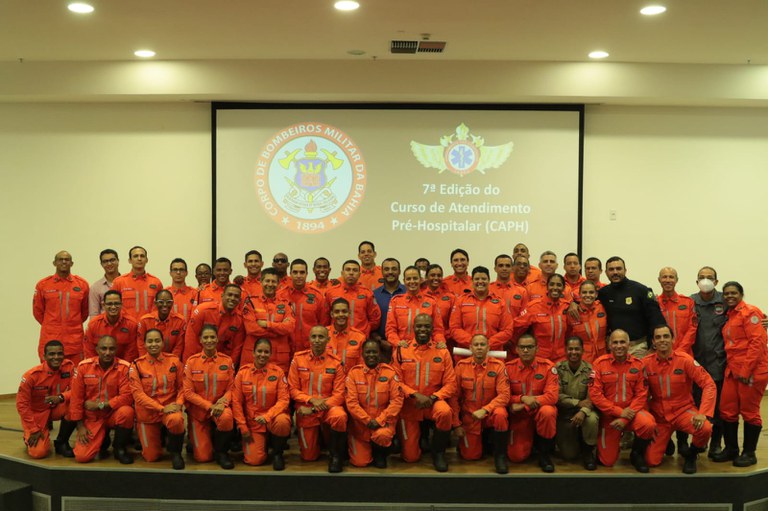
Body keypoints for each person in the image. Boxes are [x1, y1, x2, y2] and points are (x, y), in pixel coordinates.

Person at [643, 325, 715, 474]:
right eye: (658, 337)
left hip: (683, 411)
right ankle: (666, 440)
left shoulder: (685, 360)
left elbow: (709, 384)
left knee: (705, 427)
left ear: (673, 339)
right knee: (651, 461)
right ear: (653, 342)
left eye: (666, 336)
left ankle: (691, 454)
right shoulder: (645, 363)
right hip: (660, 416)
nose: (662, 340)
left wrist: (703, 413)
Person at [712, 281, 768, 467]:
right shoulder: (730, 315)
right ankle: (731, 449)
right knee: (727, 411)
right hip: (732, 371)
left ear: (741, 294)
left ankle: (749, 453)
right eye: (726, 293)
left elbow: (757, 344)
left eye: (733, 293)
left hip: (751, 372)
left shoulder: (750, 313)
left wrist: (746, 371)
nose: (729, 296)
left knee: (750, 413)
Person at [392, 314, 456, 471]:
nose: (423, 329)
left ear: (432, 329)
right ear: (413, 328)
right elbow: (395, 382)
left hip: (433, 402)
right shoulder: (401, 351)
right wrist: (414, 394)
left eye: (426, 326)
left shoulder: (442, 352)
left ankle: (438, 452)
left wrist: (434, 397)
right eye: (419, 326)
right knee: (410, 458)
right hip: (410, 404)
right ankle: (416, 442)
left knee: (445, 412)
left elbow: (451, 384)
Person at [588, 329, 656, 472]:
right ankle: (606, 447)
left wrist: (625, 417)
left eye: (622, 342)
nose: (619, 346)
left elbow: (642, 395)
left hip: (633, 413)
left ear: (629, 344)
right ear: (609, 345)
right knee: (607, 461)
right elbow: (595, 395)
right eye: (615, 342)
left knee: (648, 423)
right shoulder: (599, 364)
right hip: (610, 417)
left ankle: (637, 454)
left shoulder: (638, 365)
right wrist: (619, 412)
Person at [574, 256, 665, 359]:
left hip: (638, 348)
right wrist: (573, 304)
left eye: (618, 268)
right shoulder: (603, 293)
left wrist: (654, 347)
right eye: (611, 269)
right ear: (606, 272)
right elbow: (586, 302)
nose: (615, 272)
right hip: (614, 349)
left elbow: (657, 320)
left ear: (625, 270)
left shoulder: (641, 290)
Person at [288, 326, 348, 472]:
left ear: (328, 340)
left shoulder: (336, 362)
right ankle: (318, 439)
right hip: (306, 409)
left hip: (327, 408)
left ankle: (336, 456)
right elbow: (292, 389)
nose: (317, 340)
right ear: (309, 339)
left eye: (321, 337)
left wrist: (315, 407)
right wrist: (311, 400)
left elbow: (339, 395)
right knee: (309, 457)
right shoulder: (298, 359)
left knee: (339, 416)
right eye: (313, 337)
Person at [69, 335, 135, 464]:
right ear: (97, 349)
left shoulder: (124, 368)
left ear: (116, 350)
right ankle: (103, 439)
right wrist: (80, 426)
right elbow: (76, 398)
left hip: (112, 413)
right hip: (92, 418)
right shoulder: (83, 367)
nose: (107, 352)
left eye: (111, 349)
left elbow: (127, 396)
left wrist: (101, 405)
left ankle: (119, 448)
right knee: (82, 457)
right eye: (104, 348)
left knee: (127, 412)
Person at [452, 334, 510, 474]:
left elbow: (505, 395)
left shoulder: (498, 366)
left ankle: (500, 456)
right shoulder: (461, 366)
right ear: (470, 348)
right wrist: (456, 424)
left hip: (490, 415)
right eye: (476, 345)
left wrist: (485, 410)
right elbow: (454, 397)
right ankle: (475, 443)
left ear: (488, 348)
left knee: (501, 414)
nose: (479, 347)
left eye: (482, 345)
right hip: (470, 417)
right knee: (471, 456)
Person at [129, 328, 186, 469]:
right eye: (150, 341)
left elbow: (182, 387)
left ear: (162, 343)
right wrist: (161, 408)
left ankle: (176, 453)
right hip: (148, 414)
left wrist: (178, 404)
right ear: (144, 344)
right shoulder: (136, 365)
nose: (153, 344)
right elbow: (138, 395)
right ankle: (159, 438)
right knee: (151, 457)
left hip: (170, 410)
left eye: (157, 340)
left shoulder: (174, 361)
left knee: (177, 419)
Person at [232, 338, 291, 470]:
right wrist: (243, 427)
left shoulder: (278, 373)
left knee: (282, 421)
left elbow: (284, 400)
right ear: (253, 352)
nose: (262, 355)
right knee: (254, 460)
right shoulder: (242, 373)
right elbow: (236, 402)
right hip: (253, 423)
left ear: (270, 354)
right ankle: (263, 443)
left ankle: (277, 453)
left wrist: (267, 416)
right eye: (259, 351)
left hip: (272, 418)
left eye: (266, 352)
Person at [182, 324, 236, 469]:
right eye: (206, 337)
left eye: (212, 337)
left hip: (219, 408)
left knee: (226, 417)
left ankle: (222, 452)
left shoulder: (227, 361)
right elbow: (188, 393)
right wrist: (209, 406)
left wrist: (222, 403)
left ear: (217, 339)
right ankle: (198, 438)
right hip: (198, 412)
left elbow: (232, 388)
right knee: (203, 458)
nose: (209, 340)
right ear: (200, 340)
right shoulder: (191, 362)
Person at [345, 339, 403, 468]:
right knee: (360, 463)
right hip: (360, 426)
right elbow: (351, 403)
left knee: (382, 435)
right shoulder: (354, 374)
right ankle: (366, 449)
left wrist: (379, 420)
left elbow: (397, 401)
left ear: (380, 354)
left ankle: (381, 452)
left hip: (382, 424)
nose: (371, 355)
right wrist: (367, 420)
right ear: (362, 354)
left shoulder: (390, 373)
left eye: (374, 352)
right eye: (368, 352)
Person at [505, 334, 559, 472]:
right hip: (519, 416)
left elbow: (552, 397)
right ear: (516, 349)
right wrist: (521, 398)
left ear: (537, 349)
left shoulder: (548, 367)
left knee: (548, 411)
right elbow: (504, 395)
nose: (525, 351)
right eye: (522, 347)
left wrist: (527, 403)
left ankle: (544, 455)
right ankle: (530, 444)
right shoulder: (508, 368)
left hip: (538, 410)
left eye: (529, 347)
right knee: (516, 457)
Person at [689, 266, 727, 458]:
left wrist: (762, 321)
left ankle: (716, 443)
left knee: (717, 405)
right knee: (697, 402)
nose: (706, 280)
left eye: (709, 277)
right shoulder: (690, 302)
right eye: (702, 277)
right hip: (696, 363)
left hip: (718, 362)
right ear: (697, 282)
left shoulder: (725, 301)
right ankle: (700, 440)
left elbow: (743, 316)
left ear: (716, 281)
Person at [16, 340, 76, 459]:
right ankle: (28, 436)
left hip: (56, 408)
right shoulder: (31, 376)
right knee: (39, 453)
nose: (56, 357)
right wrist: (33, 429)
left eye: (59, 354)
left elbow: (77, 391)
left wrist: (61, 397)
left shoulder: (69, 367)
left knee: (75, 405)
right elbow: (22, 405)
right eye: (52, 354)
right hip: (37, 413)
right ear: (44, 357)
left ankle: (62, 442)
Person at [33, 250, 90, 363]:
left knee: (75, 377)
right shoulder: (43, 285)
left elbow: (84, 312)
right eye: (60, 259)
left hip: (74, 341)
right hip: (50, 340)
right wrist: (52, 325)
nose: (64, 262)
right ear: (54, 263)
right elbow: (38, 311)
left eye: (67, 259)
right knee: (50, 376)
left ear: (72, 263)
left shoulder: (82, 284)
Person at [555, 337, 598, 470]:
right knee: (569, 455)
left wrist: (582, 411)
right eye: (570, 349)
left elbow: (593, 397)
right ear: (565, 350)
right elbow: (556, 395)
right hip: (564, 414)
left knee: (592, 420)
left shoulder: (591, 370)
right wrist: (578, 403)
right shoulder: (557, 369)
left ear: (583, 350)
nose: (574, 352)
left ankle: (588, 452)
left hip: (585, 412)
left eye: (577, 349)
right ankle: (577, 439)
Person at [449, 266, 512, 355]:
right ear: (472, 282)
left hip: (493, 354)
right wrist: (472, 342)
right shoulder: (461, 301)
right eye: (477, 279)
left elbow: (507, 330)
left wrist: (488, 344)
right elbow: (454, 328)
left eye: (484, 279)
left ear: (489, 281)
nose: (480, 281)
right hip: (466, 354)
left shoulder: (500, 303)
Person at [242, 268, 295, 370]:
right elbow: (251, 328)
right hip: (254, 357)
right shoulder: (251, 303)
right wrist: (278, 330)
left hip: (278, 357)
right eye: (267, 281)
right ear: (261, 282)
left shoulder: (285, 304)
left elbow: (289, 327)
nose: (270, 284)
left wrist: (267, 325)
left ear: (278, 284)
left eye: (273, 281)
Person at [514, 273, 571, 361]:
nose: (555, 287)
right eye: (552, 284)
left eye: (559, 285)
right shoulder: (533, 306)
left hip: (561, 359)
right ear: (547, 287)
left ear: (563, 288)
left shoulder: (567, 307)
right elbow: (516, 327)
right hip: (539, 358)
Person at [183, 284, 245, 364]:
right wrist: (190, 363)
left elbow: (236, 348)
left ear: (240, 300)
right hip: (198, 357)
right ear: (222, 295)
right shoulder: (203, 310)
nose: (232, 298)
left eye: (236, 296)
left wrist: (229, 366)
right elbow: (191, 339)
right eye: (229, 295)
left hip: (220, 361)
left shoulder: (239, 319)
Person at [386, 266, 445, 348]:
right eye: (408, 279)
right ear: (404, 281)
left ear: (420, 280)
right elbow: (390, 329)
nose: (412, 281)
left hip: (426, 349)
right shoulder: (396, 301)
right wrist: (397, 342)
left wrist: (440, 342)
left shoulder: (431, 302)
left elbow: (438, 330)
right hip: (403, 349)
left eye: (415, 278)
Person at [277, 258, 327, 353]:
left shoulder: (317, 296)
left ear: (307, 274)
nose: (298, 276)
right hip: (284, 349)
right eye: (295, 272)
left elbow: (323, 325)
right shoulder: (280, 295)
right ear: (290, 274)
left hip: (309, 349)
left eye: (302, 272)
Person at [325, 260, 381, 337]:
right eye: (348, 270)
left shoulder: (367, 293)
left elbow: (375, 319)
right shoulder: (331, 292)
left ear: (359, 274)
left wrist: (365, 330)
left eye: (354, 270)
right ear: (342, 273)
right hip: (336, 338)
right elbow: (325, 318)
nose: (351, 273)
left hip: (361, 338)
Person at [111, 246, 163, 321]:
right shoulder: (119, 282)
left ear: (146, 260)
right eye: (135, 256)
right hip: (126, 327)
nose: (139, 259)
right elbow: (113, 306)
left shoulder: (156, 282)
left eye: (142, 256)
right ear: (130, 260)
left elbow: (160, 307)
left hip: (150, 327)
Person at [84, 290, 139, 362]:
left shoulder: (131, 324)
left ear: (121, 304)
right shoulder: (93, 325)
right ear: (103, 305)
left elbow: (131, 353)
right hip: (99, 367)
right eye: (109, 304)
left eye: (116, 303)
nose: (113, 307)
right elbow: (89, 352)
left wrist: (123, 369)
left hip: (123, 367)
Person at [656, 267, 697, 355]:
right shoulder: (654, 303)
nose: (668, 280)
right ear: (659, 280)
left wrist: (681, 350)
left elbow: (692, 329)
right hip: (661, 354)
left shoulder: (688, 302)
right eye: (664, 277)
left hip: (684, 353)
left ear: (676, 280)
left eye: (671, 277)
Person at [565, 280, 607, 363]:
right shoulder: (572, 313)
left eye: (591, 292)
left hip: (603, 358)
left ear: (596, 294)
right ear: (579, 294)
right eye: (584, 292)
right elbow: (567, 337)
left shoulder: (603, 308)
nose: (588, 295)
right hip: (582, 361)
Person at [137, 289, 186, 358]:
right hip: (148, 361)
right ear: (155, 303)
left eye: (168, 302)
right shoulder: (145, 321)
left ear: (172, 303)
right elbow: (141, 345)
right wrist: (145, 363)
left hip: (171, 361)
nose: (165, 305)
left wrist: (173, 363)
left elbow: (179, 346)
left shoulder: (180, 321)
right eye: (161, 302)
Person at [326, 298, 366, 369]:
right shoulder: (323, 334)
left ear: (349, 313)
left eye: (344, 311)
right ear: (332, 314)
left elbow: (361, 367)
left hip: (350, 378)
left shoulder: (360, 337)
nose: (341, 314)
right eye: (337, 312)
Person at [373, 257, 406, 339]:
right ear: (382, 272)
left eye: (394, 269)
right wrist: (380, 341)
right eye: (387, 269)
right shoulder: (374, 295)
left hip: (405, 345)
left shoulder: (408, 292)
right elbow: (371, 322)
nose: (390, 272)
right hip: (381, 345)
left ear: (399, 271)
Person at [489, 254, 529, 319]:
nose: (504, 268)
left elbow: (524, 316)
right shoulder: (488, 289)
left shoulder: (521, 291)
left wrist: (509, 327)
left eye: (507, 266)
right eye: (501, 266)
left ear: (512, 268)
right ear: (495, 268)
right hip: (492, 329)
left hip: (515, 328)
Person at [423, 264, 454, 333]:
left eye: (439, 275)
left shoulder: (451, 298)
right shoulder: (420, 296)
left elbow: (454, 323)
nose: (436, 278)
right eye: (433, 275)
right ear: (426, 277)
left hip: (446, 339)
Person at [89, 249, 120, 317]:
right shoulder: (95, 288)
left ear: (118, 261)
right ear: (101, 264)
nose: (109, 263)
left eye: (112, 260)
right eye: (105, 261)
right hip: (104, 326)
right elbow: (93, 314)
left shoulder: (126, 283)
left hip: (125, 325)